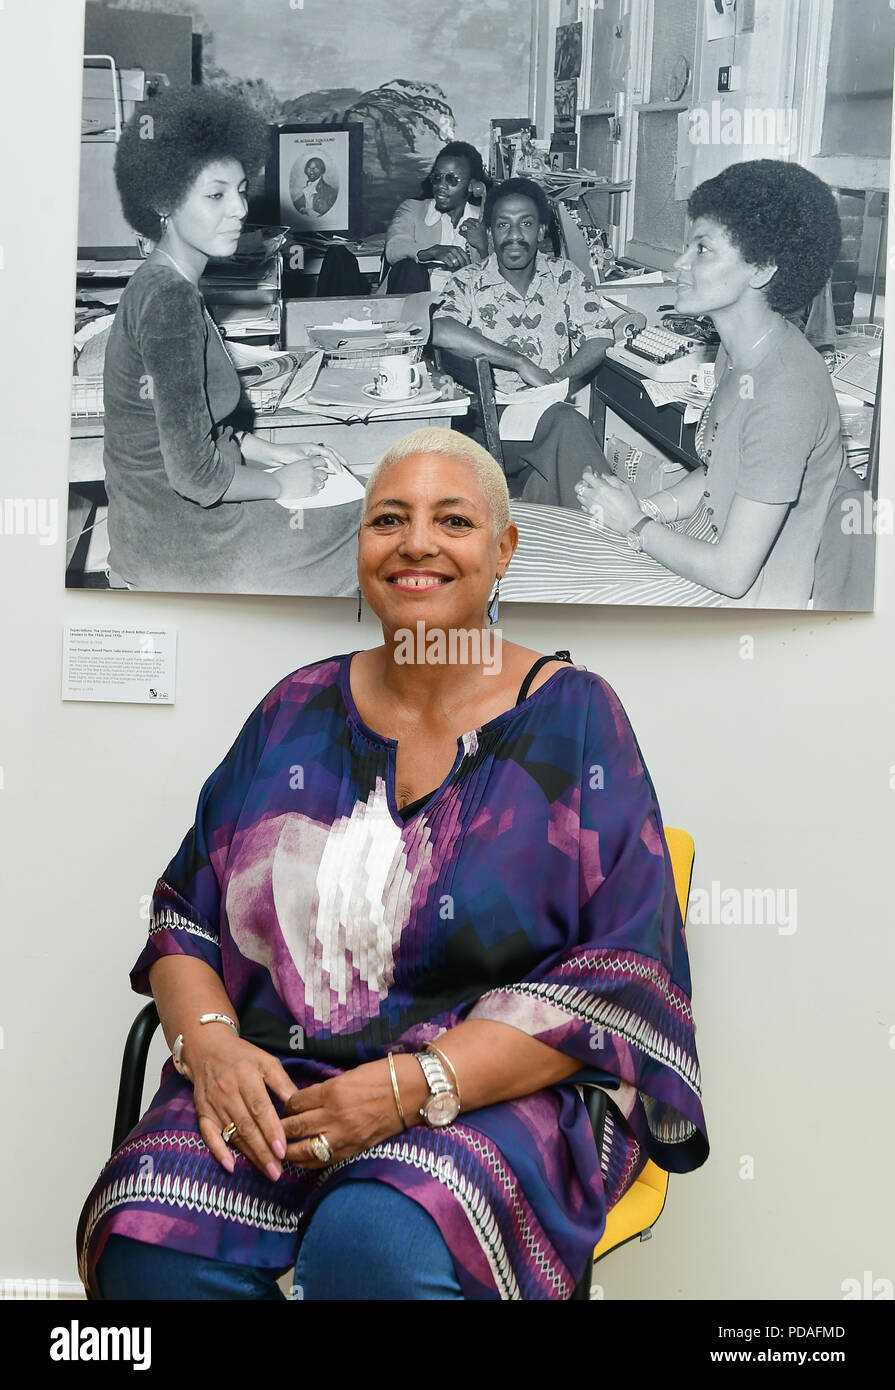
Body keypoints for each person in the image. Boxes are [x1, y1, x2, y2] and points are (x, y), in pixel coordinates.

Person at [76, 427, 709, 1301]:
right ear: (362, 546)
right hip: (285, 1080)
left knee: (374, 1243)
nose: (416, 543)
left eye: (452, 520)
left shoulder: (575, 718)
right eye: (387, 520)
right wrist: (211, 1046)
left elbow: (621, 973)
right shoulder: (293, 707)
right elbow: (184, 915)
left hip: (493, 1094)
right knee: (150, 1237)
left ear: (502, 550)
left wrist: (416, 1086)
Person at [106, 85, 362, 595]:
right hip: (189, 544)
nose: (241, 209)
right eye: (216, 194)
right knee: (380, 524)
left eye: (241, 189)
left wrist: (275, 452)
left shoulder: (161, 280)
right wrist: (279, 484)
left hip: (160, 531)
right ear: (164, 201)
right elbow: (196, 476)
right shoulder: (171, 301)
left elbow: (198, 429)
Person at [575, 159, 846, 608]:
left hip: (743, 608)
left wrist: (636, 526)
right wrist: (649, 507)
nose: (680, 263)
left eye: (702, 250)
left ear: (761, 270)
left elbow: (733, 574)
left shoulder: (786, 391)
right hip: (706, 560)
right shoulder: (736, 351)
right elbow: (719, 471)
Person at [432, 176, 614, 509]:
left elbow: (600, 337)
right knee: (570, 424)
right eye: (503, 225)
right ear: (490, 233)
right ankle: (623, 527)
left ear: (542, 232)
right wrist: (519, 362)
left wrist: (555, 381)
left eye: (526, 224)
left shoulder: (565, 276)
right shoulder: (468, 281)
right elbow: (441, 329)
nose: (515, 236)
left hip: (547, 414)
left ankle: (574, 540)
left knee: (557, 454)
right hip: (488, 428)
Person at [314, 140, 489, 297]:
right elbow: (394, 248)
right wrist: (433, 251)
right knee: (410, 267)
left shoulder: (483, 219)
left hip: (460, 309)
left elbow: (495, 281)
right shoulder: (413, 209)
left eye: (452, 179)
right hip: (409, 306)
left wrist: (482, 248)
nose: (441, 186)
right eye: (437, 177)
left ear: (474, 186)